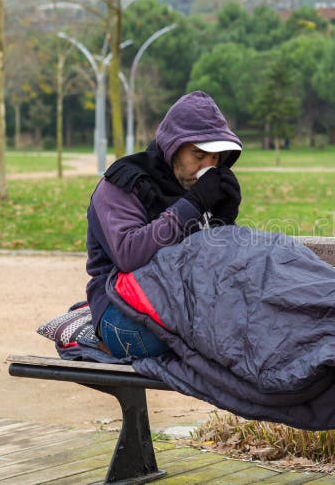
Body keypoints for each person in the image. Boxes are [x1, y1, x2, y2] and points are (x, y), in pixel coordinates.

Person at [85, 91, 242, 359]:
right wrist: (192, 205)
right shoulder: (122, 183)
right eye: (198, 155)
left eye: (215, 158)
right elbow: (129, 255)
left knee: (251, 323)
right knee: (166, 341)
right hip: (120, 306)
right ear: (172, 147)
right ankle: (88, 334)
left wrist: (223, 220)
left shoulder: (192, 186)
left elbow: (217, 267)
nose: (208, 166)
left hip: (185, 303)